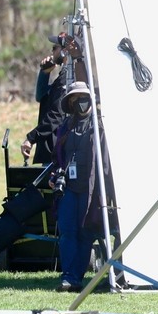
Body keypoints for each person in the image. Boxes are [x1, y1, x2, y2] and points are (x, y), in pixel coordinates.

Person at [51, 81, 111, 292]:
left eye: (83, 98)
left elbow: (106, 162)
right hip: (68, 188)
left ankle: (76, 276)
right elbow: (58, 157)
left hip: (92, 189)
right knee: (67, 231)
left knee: (86, 232)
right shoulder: (66, 127)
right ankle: (68, 276)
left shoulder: (101, 126)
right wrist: (55, 174)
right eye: (75, 100)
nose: (80, 103)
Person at [22, 32, 83, 165]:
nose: (52, 52)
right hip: (54, 150)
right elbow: (41, 97)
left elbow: (56, 116)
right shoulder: (63, 76)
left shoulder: (68, 79)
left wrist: (31, 138)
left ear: (64, 51)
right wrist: (44, 73)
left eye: (54, 48)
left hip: (59, 151)